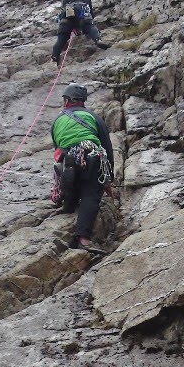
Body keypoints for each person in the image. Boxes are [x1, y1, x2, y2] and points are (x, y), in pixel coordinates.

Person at [51, 83, 114, 251]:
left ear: (67, 101)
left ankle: (68, 204)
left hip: (67, 162)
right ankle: (84, 239)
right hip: (92, 157)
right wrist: (108, 180)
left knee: (72, 183)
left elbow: (57, 146)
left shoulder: (57, 120)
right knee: (91, 194)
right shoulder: (94, 117)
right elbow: (107, 148)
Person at [51, 0, 109, 64]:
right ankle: (98, 40)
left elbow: (63, 13)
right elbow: (90, 13)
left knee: (63, 35)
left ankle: (55, 54)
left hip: (67, 10)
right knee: (89, 25)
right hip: (80, 7)